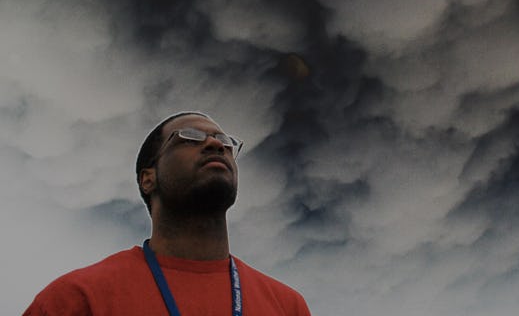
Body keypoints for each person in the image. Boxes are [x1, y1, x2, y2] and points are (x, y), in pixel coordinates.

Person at [24, 111, 311, 315]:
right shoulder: (77, 298)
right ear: (148, 178)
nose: (215, 144)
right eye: (189, 138)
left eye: (224, 141)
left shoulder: (288, 306)